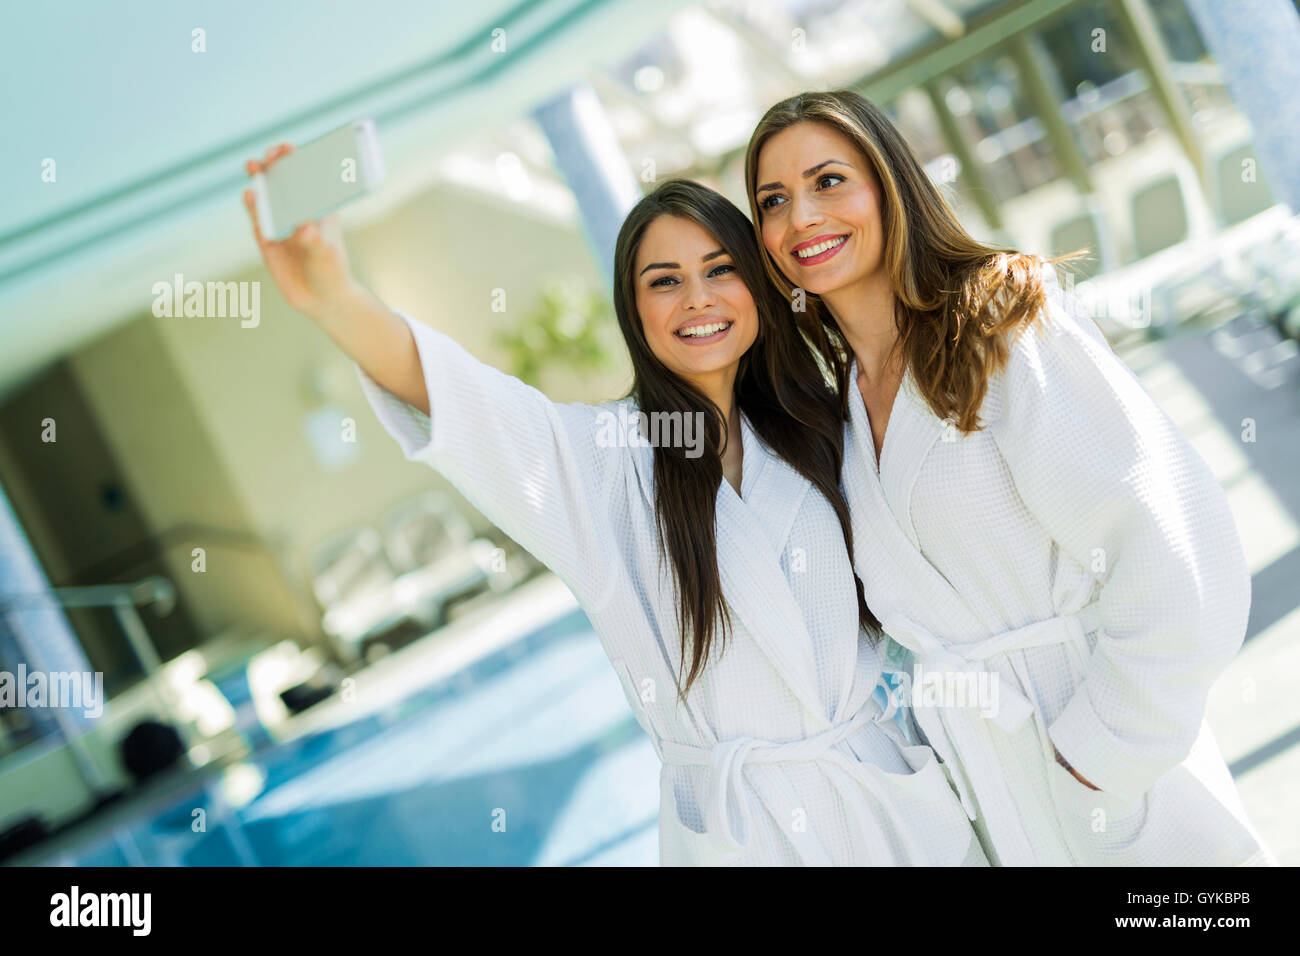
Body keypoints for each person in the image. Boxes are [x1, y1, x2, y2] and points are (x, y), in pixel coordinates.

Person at [242, 148, 985, 867]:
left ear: (758, 287)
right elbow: (466, 403)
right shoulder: (604, 462)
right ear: (634, 310)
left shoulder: (824, 427)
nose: (697, 299)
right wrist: (335, 299)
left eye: (721, 269)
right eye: (664, 282)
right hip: (752, 833)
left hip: (891, 800)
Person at [743, 89, 1275, 866]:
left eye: (829, 181)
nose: (800, 219)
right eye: (773, 200)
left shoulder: (1002, 318)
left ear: (890, 183)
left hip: (1117, 779)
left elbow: (1173, 542)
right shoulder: (844, 413)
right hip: (997, 800)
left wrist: (1098, 762)